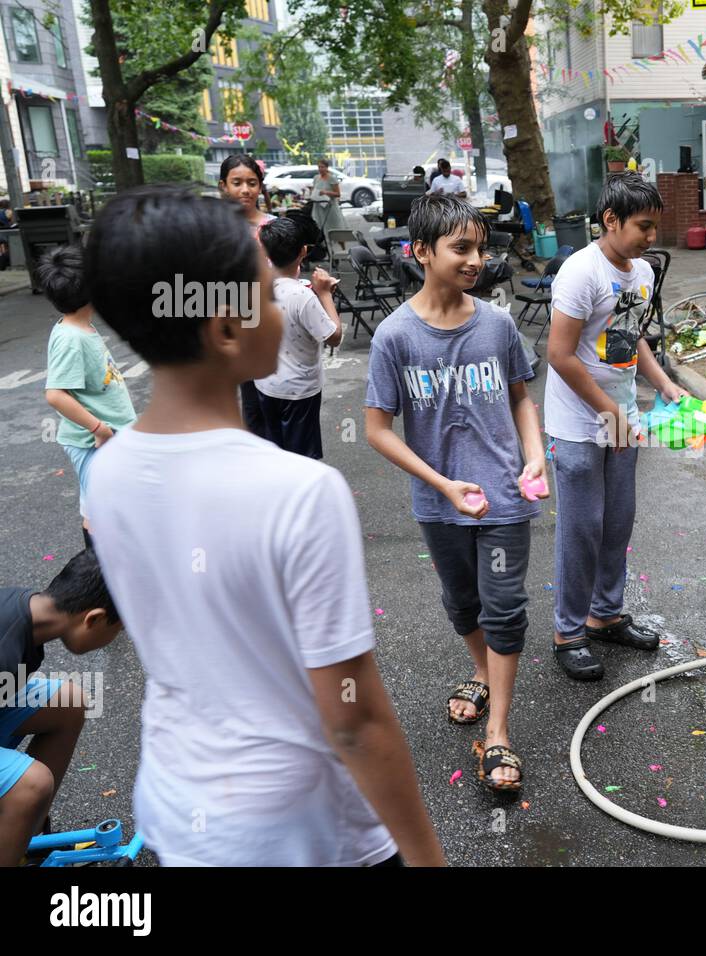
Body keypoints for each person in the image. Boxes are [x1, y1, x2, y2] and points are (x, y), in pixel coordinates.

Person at [81, 186, 445, 866]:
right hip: (302, 831)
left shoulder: (108, 473)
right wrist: (426, 857)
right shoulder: (299, 491)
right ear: (224, 328)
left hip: (176, 810)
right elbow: (355, 718)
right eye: (268, 296)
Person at [365, 194, 546, 791]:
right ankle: (483, 671)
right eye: (461, 248)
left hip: (503, 498)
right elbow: (376, 430)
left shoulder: (496, 324)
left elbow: (521, 395)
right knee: (462, 604)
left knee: (504, 607)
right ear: (421, 252)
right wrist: (442, 483)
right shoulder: (395, 337)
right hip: (439, 502)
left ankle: (498, 732)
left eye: (481, 247)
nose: (476, 259)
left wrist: (535, 454)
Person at [544, 172, 685, 681]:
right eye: (643, 226)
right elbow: (559, 354)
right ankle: (568, 631)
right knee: (581, 529)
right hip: (579, 422)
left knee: (617, 522)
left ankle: (604, 614)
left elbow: (631, 337)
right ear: (610, 220)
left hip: (623, 416)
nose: (651, 237)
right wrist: (608, 411)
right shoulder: (580, 273)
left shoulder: (642, 273)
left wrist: (664, 384)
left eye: (654, 227)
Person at [0, 549, 123, 866]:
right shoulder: (6, 652)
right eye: (117, 630)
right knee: (32, 782)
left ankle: (25, 835)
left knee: (69, 700)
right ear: (93, 618)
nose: (114, 639)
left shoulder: (23, 611)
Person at [40, 245, 137, 548]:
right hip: (94, 440)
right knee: (99, 510)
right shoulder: (72, 338)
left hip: (107, 435)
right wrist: (99, 429)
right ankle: (100, 576)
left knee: (105, 503)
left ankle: (111, 568)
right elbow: (55, 395)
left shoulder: (79, 326)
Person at [254, 216, 343, 459]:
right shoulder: (303, 297)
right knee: (301, 458)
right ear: (303, 251)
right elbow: (333, 336)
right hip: (298, 391)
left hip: (265, 385)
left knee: (275, 452)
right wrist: (325, 295)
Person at [218, 153, 277, 441]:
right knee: (252, 403)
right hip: (237, 327)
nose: (245, 190)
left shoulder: (274, 227)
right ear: (223, 186)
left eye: (252, 183)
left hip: (276, 323)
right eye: (237, 182)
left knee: (282, 399)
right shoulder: (216, 229)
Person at [309, 157, 347, 237]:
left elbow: (338, 194)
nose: (320, 169)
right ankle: (325, 246)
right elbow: (315, 190)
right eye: (319, 167)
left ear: (327, 167)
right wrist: (312, 191)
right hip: (318, 206)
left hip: (329, 207)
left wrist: (326, 192)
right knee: (320, 228)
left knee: (335, 228)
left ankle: (342, 247)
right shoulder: (316, 178)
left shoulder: (331, 178)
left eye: (322, 167)